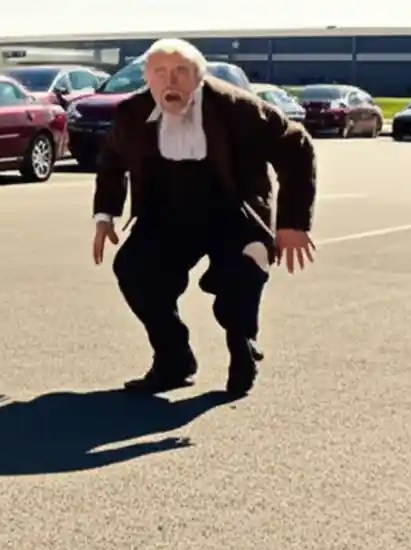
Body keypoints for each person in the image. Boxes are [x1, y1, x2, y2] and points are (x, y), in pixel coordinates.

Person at [92, 38, 317, 397]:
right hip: (166, 210)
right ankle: (173, 359)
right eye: (160, 73)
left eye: (181, 72)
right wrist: (105, 215)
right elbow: (112, 162)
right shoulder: (131, 114)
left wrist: (292, 223)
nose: (170, 82)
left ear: (198, 77)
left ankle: (243, 345)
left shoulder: (236, 107)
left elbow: (297, 146)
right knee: (134, 270)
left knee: (244, 269)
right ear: (146, 78)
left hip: (231, 207)